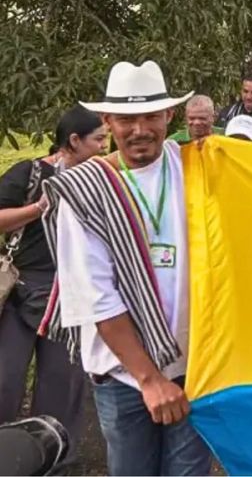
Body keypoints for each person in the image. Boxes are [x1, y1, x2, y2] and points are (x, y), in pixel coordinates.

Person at [41, 61, 212, 475]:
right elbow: (95, 295)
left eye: (151, 116)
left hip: (198, 368)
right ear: (107, 121)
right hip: (125, 377)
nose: (140, 129)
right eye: (126, 118)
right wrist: (152, 380)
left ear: (169, 116)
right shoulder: (87, 190)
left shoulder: (200, 169)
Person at [0, 106, 106, 462]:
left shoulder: (98, 181)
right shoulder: (29, 173)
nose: (104, 147)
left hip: (70, 295)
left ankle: (52, 458)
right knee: (5, 378)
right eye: (99, 139)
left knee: (62, 385)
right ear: (74, 141)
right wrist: (38, 208)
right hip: (23, 291)